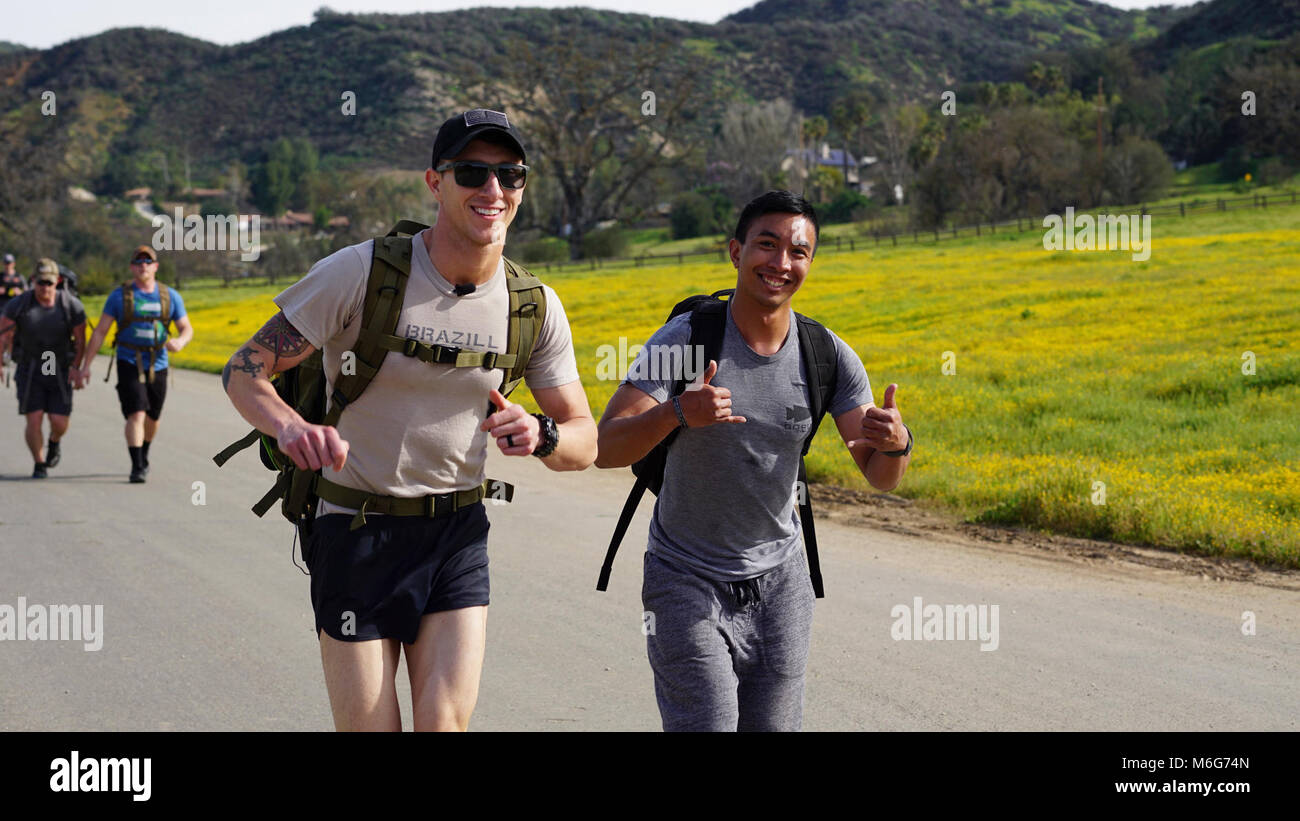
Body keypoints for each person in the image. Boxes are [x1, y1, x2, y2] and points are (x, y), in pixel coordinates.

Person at [221, 109, 597, 732]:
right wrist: (290, 427)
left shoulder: (533, 305)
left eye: (510, 175)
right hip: (353, 530)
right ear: (435, 181)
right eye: (473, 172)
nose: (493, 191)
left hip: (456, 534)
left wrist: (544, 433)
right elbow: (244, 370)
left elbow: (584, 439)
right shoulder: (360, 272)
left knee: (444, 725)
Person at [595, 190, 912, 732]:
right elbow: (605, 447)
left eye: (798, 252)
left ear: (810, 263)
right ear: (736, 252)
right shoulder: (687, 341)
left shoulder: (826, 354)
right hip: (684, 578)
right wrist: (676, 412)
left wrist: (896, 444)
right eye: (767, 245)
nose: (781, 263)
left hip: (782, 584)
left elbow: (880, 476)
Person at [80, 245, 193, 483]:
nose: (143, 266)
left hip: (158, 361)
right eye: (138, 262)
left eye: (148, 262)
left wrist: (180, 342)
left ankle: (144, 452)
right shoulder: (118, 297)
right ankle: (137, 465)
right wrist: (86, 365)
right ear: (132, 267)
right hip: (128, 360)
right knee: (136, 413)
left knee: (153, 416)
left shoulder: (170, 296)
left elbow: (186, 327)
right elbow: (100, 332)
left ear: (155, 267)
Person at [0, 258, 87, 478]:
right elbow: (3, 335)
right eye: (40, 283)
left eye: (49, 283)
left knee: (59, 421)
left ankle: (54, 442)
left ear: (57, 281)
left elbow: (80, 340)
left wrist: (77, 368)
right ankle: (39, 463)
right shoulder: (19, 304)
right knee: (34, 417)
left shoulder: (70, 305)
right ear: (32, 281)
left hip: (58, 366)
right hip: (30, 366)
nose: (44, 288)